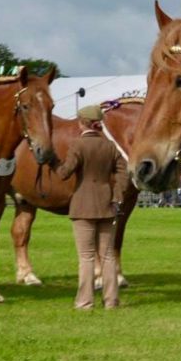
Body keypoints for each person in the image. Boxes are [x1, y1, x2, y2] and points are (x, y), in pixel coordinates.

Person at [51, 105, 128, 309]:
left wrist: (52, 161)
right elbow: (123, 173)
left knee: (86, 257)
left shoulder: (77, 145)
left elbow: (64, 173)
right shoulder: (110, 147)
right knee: (108, 256)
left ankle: (85, 301)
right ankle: (111, 300)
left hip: (82, 205)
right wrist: (117, 195)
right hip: (106, 204)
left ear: (81, 122)